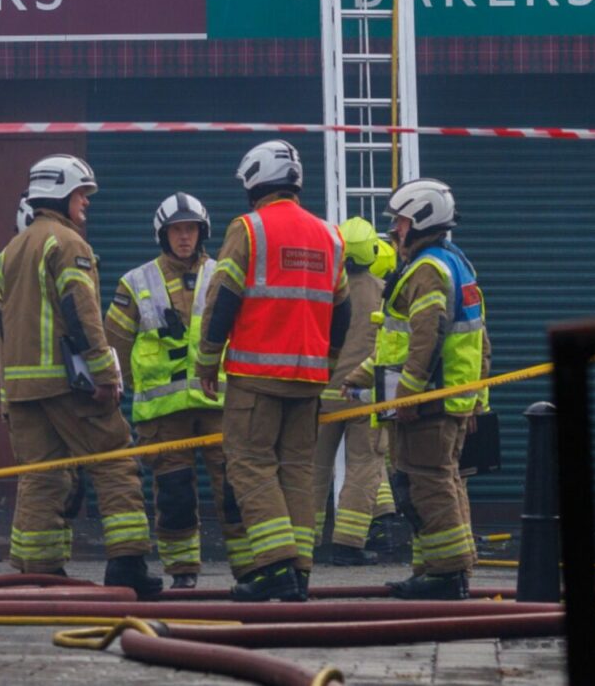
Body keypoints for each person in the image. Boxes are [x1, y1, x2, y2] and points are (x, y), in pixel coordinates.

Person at [0, 154, 162, 598]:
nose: (86, 203)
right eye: (81, 194)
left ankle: (39, 572)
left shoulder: (10, 251)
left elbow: (3, 328)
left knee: (41, 476)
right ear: (61, 192)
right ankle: (126, 565)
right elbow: (82, 313)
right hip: (71, 385)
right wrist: (107, 371)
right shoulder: (67, 243)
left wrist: (4, 396)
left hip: (23, 389)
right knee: (115, 464)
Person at [195, 140, 351, 602]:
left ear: (254, 182)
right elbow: (341, 312)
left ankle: (273, 567)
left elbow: (222, 299)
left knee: (250, 466)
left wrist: (207, 360)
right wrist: (328, 362)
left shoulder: (249, 229)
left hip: (255, 377)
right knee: (298, 472)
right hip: (308, 380)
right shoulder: (331, 235)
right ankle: (300, 573)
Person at [346, 177, 487, 599]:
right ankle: (437, 571)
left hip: (428, 404)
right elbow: (407, 340)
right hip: (448, 399)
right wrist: (362, 377)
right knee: (434, 484)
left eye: (401, 222)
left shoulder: (427, 269)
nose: (394, 231)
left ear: (421, 220)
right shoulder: (456, 263)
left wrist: (407, 396)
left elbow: (427, 336)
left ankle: (447, 576)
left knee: (428, 484)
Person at [103, 193, 250, 590]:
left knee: (236, 492)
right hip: (164, 415)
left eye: (191, 229)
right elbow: (114, 343)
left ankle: (251, 572)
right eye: (176, 230)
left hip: (221, 405)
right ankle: (182, 573)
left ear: (202, 233)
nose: (184, 237)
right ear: (162, 235)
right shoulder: (136, 282)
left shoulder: (224, 274)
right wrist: (137, 387)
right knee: (175, 496)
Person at [313, 217, 395, 566]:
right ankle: (347, 543)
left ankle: (305, 542)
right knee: (364, 465)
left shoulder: (324, 291)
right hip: (363, 396)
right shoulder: (384, 293)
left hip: (321, 396)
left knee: (312, 468)